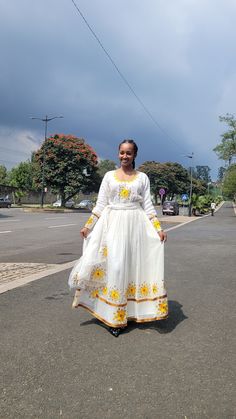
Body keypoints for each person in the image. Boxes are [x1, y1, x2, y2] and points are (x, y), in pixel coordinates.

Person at [68, 139, 168, 337]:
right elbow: (100, 204)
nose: (124, 156)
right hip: (111, 227)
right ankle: (114, 317)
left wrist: (158, 230)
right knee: (116, 267)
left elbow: (148, 206)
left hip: (136, 228)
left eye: (129, 153)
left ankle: (130, 312)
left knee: (131, 268)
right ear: (118, 153)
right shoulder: (108, 176)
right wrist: (88, 226)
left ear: (134, 155)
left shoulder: (143, 178)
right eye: (122, 152)